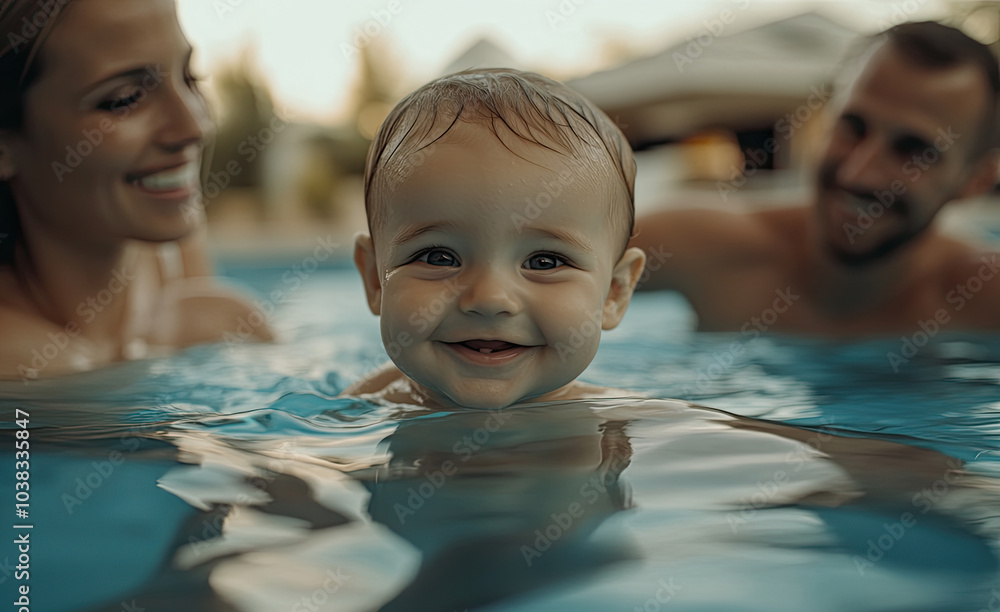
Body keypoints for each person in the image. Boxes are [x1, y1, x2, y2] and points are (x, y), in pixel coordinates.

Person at [632, 21, 1000, 335]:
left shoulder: (984, 297)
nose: (860, 173)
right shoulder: (703, 243)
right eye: (853, 128)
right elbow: (580, 261)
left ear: (976, 181)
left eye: (913, 150)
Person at [0, 0, 272, 381]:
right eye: (125, 99)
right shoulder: (20, 367)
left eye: (190, 78)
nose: (193, 126)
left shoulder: (187, 275)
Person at [344, 68, 647, 410]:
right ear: (375, 280)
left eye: (544, 262)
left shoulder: (623, 422)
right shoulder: (363, 406)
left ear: (614, 293)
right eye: (438, 257)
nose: (489, 299)